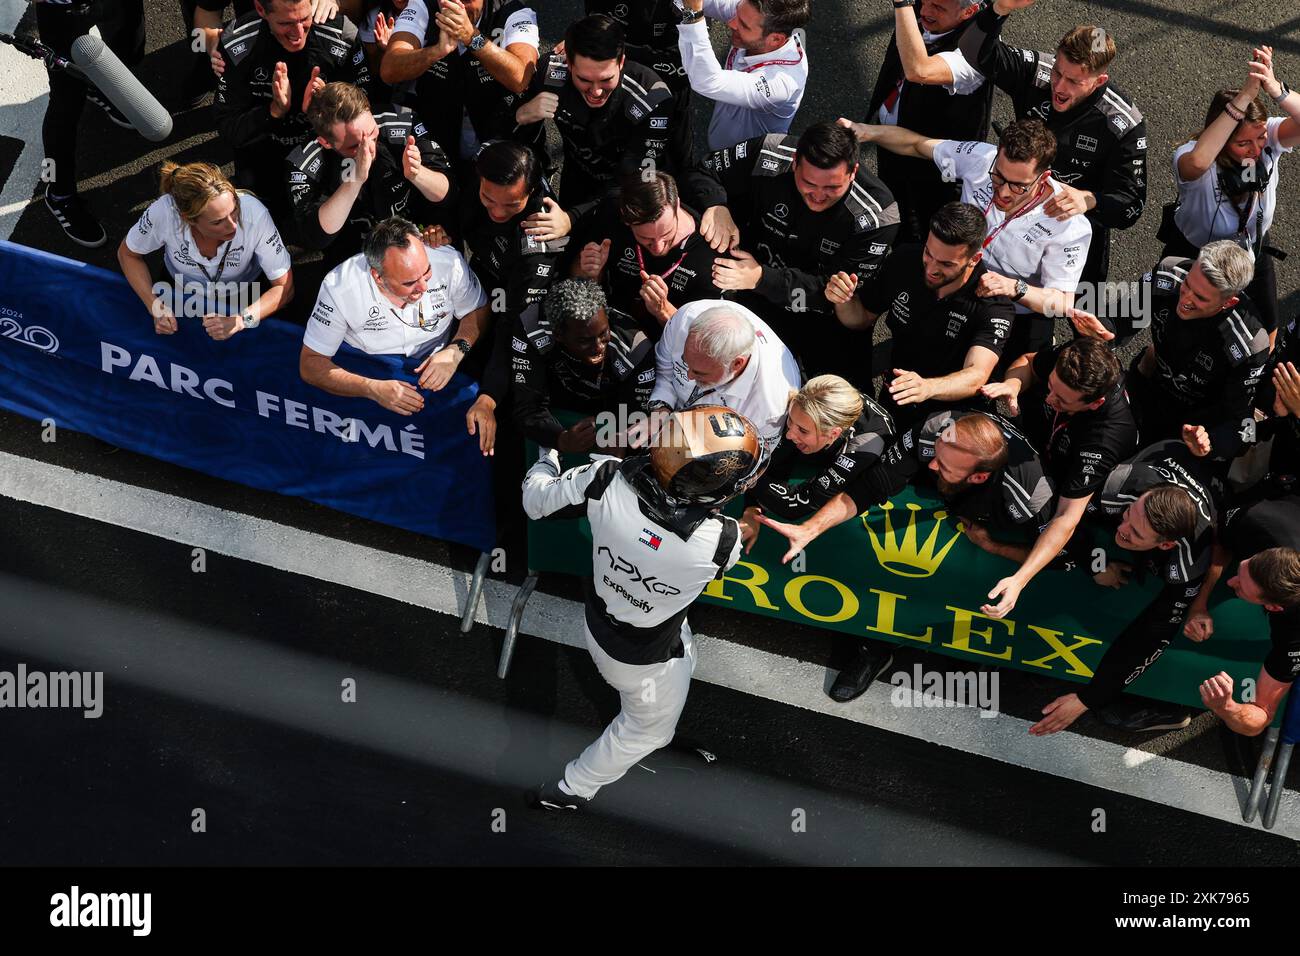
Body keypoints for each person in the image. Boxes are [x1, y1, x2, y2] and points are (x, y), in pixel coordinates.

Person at [522, 405, 761, 810]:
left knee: (678, 657)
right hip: (645, 658)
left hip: (602, 619)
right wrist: (753, 514)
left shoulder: (605, 478)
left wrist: (548, 455)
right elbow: (740, 531)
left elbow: (535, 502)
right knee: (649, 731)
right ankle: (571, 789)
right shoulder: (723, 542)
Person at [841, 116, 1092, 372]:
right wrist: (865, 131)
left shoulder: (1069, 224)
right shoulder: (980, 159)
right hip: (954, 287)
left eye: (1018, 186)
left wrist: (1015, 288)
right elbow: (917, 144)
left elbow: (1061, 302)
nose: (1003, 192)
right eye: (999, 177)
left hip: (1013, 314)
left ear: (1044, 176)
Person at [1024, 440, 1221, 735]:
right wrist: (1095, 562)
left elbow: (1150, 636)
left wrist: (1087, 699)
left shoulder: (1191, 558)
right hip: (1167, 452)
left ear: (1166, 544)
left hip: (1215, 482)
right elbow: (1061, 516)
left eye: (1135, 533)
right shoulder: (1122, 485)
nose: (1121, 530)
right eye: (1127, 517)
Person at [685, 120, 899, 388]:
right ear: (795, 162)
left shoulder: (877, 216)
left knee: (834, 402)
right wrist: (716, 205)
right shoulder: (769, 152)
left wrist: (763, 278)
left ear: (853, 172)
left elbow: (833, 295)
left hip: (816, 311)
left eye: (832, 188)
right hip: (745, 278)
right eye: (809, 183)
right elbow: (703, 170)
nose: (818, 196)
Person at [739, 375, 898, 701]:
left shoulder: (866, 444)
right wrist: (751, 506)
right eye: (791, 423)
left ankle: (874, 648)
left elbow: (796, 505)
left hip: (875, 499)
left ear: (833, 433)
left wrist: (749, 481)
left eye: (801, 431)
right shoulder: (807, 405)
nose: (789, 432)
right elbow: (774, 462)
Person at [966, 3, 1148, 284]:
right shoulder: (1037, 71)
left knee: (1079, 314)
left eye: (1074, 81)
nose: (1060, 87)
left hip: (1069, 232)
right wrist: (998, 9)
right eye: (1058, 73)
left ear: (1100, 81)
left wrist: (1088, 199)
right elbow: (974, 52)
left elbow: (1131, 205)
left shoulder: (1122, 123)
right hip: (1010, 211)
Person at [971, 338, 1140, 618]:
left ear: (1095, 403)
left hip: (1071, 487)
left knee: (1046, 521)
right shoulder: (1077, 358)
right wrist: (1014, 384)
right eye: (1050, 387)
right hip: (1040, 443)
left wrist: (1019, 581)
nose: (1050, 399)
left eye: (1062, 400)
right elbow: (1028, 362)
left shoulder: (1105, 440)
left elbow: (1065, 518)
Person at [298, 217, 498, 453]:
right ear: (377, 277)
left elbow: (478, 308)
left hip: (435, 371)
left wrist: (456, 351)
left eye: (427, 272)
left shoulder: (448, 261)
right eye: (410, 282)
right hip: (368, 373)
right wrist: (371, 388)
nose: (423, 286)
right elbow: (310, 364)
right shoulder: (339, 287)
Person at [757, 408, 1054, 563]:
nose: (932, 466)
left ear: (978, 477)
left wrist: (994, 547)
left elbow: (1058, 556)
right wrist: (811, 529)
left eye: (944, 466)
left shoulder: (1030, 495)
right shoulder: (935, 429)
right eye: (935, 456)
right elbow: (872, 487)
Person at [834, 201, 1013, 429]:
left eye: (946, 264)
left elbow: (976, 375)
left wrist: (927, 388)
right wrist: (843, 299)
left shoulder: (993, 305)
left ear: (974, 259)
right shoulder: (904, 260)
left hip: (957, 418)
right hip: (898, 396)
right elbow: (860, 319)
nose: (931, 269)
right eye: (928, 253)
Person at [1163, 46, 1300, 335]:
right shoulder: (1193, 154)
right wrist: (1245, 97)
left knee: (1266, 330)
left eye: (1260, 137)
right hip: (1196, 258)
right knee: (1179, 325)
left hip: (1251, 252)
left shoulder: (1267, 140)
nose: (1256, 149)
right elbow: (1199, 162)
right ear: (1223, 137)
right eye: (1243, 144)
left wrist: (1276, 90)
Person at [214, 0, 371, 218]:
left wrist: (327, 107)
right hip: (263, 159)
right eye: (285, 23)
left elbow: (368, 111)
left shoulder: (342, 36)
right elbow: (228, 128)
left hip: (325, 155)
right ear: (261, 10)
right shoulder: (237, 43)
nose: (297, 32)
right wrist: (273, 112)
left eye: (304, 19)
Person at [513, 14, 679, 207]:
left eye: (606, 79)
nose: (596, 91)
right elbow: (498, 135)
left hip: (630, 193)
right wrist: (521, 115)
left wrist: (572, 218)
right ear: (568, 62)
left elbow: (634, 182)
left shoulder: (652, 99)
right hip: (576, 177)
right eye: (584, 79)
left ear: (621, 62)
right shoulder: (549, 73)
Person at [119, 161, 294, 341]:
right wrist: (154, 305)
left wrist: (241, 320)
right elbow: (128, 254)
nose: (233, 225)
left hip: (244, 291)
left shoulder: (255, 214)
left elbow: (284, 288)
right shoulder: (164, 212)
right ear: (188, 219)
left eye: (234, 211)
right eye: (218, 222)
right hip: (181, 289)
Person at [865, 0, 993, 243]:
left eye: (938, 7)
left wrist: (901, 4)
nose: (924, 11)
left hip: (932, 169)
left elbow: (918, 71)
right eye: (924, 1)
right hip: (890, 138)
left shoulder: (977, 53)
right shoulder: (921, 10)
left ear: (969, 11)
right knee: (887, 209)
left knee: (921, 237)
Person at [286, 82, 453, 267]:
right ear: (326, 142)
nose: (369, 148)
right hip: (353, 260)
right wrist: (355, 180)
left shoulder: (402, 120)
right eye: (354, 146)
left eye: (373, 133)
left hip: (412, 240)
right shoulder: (304, 160)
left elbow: (448, 194)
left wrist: (417, 174)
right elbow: (315, 236)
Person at [1120, 242, 1269, 446]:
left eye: (1200, 297)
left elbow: (1243, 425)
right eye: (1188, 284)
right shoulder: (1169, 271)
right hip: (1149, 387)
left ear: (1228, 302)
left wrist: (1212, 443)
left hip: (1194, 428)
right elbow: (1120, 317)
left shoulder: (1250, 344)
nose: (1186, 299)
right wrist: (1101, 326)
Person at [1185, 494, 1300, 735]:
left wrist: (1227, 707)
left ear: (1274, 608)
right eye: (1240, 570)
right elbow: (1220, 539)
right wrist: (1200, 601)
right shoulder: (1256, 522)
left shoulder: (1294, 630)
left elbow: (1262, 715)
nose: (1230, 582)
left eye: (1241, 588)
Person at [36, 0, 148, 247]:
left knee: (131, 47)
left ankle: (100, 86)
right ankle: (58, 193)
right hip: (61, 8)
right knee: (66, 102)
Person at [381, 0, 540, 170]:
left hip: (497, 134)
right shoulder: (422, 6)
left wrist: (472, 37)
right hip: (437, 132)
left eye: (466, 0)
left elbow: (521, 79)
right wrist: (436, 51)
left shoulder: (515, 12)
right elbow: (389, 69)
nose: (458, 7)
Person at [569, 171, 726, 337]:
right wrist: (591, 272)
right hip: (609, 321)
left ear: (677, 205)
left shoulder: (711, 251)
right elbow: (576, 281)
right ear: (625, 219)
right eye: (645, 239)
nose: (658, 248)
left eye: (667, 235)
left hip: (664, 343)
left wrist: (664, 310)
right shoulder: (612, 212)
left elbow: (700, 340)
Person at [510, 279, 655, 453]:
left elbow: (639, 419)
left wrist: (621, 440)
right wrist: (560, 439)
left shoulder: (635, 347)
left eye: (603, 334)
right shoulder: (532, 327)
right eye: (584, 341)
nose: (598, 347)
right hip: (559, 413)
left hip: (614, 418)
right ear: (559, 335)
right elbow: (527, 407)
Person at [648, 299, 801, 452]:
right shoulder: (685, 318)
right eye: (685, 362)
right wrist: (661, 408)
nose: (688, 375)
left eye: (700, 373)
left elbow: (750, 461)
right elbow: (664, 366)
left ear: (737, 364)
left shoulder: (771, 408)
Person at [676, 0, 810, 151]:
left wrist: (692, 15)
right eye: (736, 14)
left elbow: (707, 80)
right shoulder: (750, 14)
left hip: (745, 168)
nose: (731, 23)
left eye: (743, 25)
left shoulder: (781, 85)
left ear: (775, 39)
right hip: (720, 140)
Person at [583, 0, 692, 164]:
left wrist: (615, 50)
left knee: (675, 167)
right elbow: (593, 30)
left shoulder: (686, 4)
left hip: (665, 94)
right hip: (614, 86)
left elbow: (685, 62)